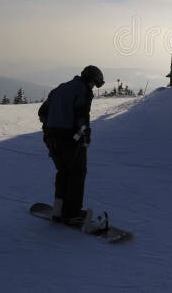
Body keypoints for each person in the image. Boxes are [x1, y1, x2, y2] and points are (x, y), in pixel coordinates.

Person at [38, 65, 105, 225]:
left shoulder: (61, 88)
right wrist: (85, 136)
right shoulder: (83, 91)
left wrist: (51, 127)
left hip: (50, 139)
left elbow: (42, 112)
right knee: (77, 173)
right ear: (89, 79)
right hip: (70, 140)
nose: (93, 87)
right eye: (94, 84)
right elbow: (82, 117)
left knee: (63, 171)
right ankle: (72, 214)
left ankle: (58, 209)